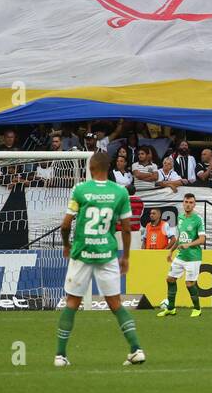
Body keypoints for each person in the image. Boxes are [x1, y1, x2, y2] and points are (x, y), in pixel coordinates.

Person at [56, 150, 145, 367]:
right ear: (109, 169)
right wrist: (126, 256)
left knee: (72, 302)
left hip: (82, 252)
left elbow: (66, 224)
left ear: (91, 168)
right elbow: (126, 228)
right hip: (107, 253)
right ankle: (136, 350)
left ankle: (60, 355)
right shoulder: (120, 192)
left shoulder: (81, 190)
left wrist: (67, 245)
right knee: (115, 302)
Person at [158, 193, 206, 318]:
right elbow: (180, 237)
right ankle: (171, 308)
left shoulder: (198, 219)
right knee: (170, 279)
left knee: (190, 284)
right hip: (181, 256)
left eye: (191, 202)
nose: (188, 204)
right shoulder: (180, 217)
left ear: (194, 204)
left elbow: (202, 239)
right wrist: (171, 251)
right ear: (183, 203)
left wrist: (189, 244)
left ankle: (197, 309)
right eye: (186, 202)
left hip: (193, 257)